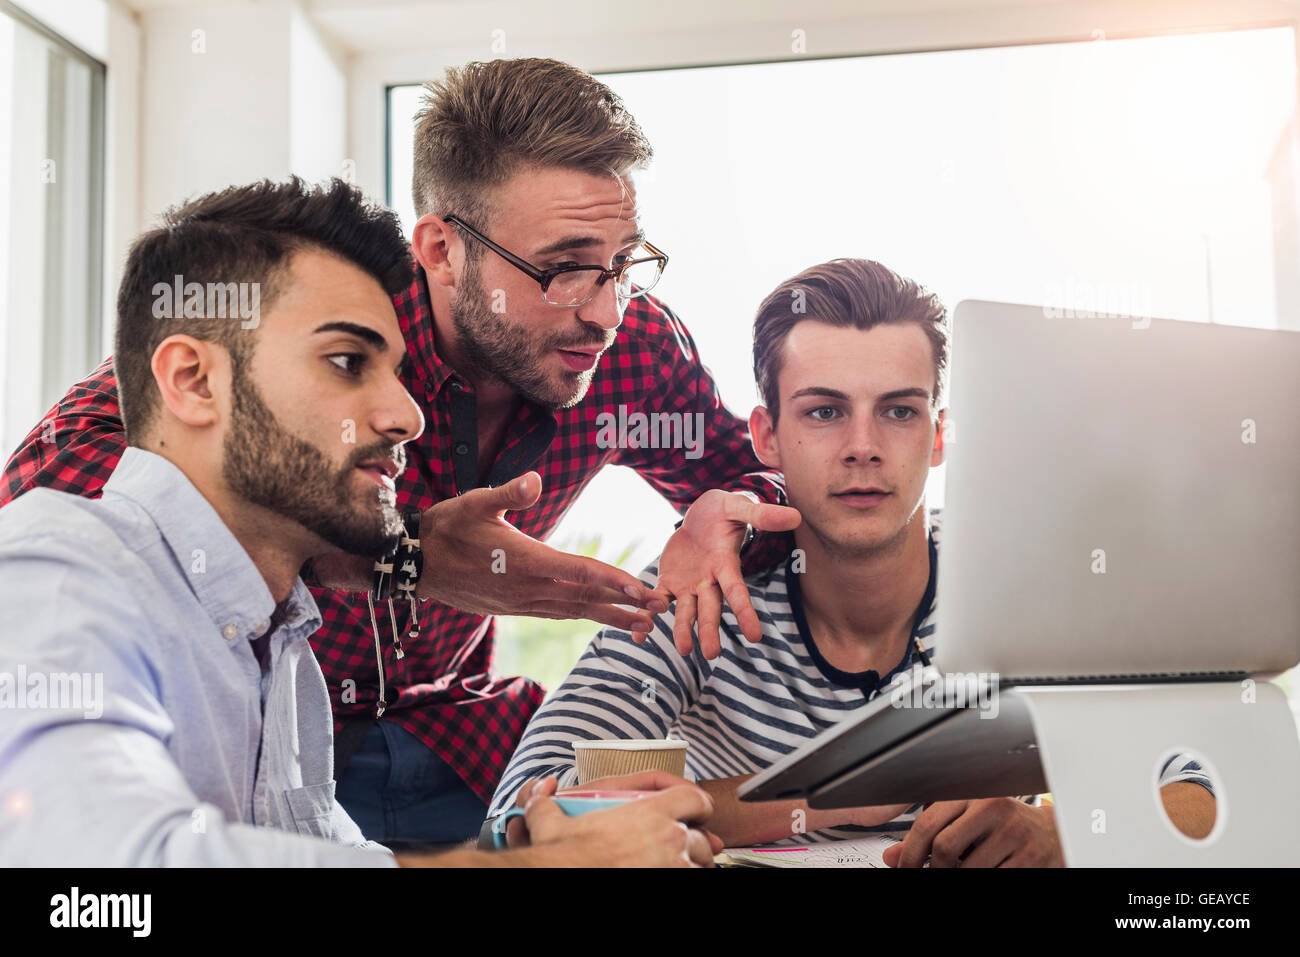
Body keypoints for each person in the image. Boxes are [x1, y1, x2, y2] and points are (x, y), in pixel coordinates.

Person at [0, 58, 798, 845]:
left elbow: (769, 490)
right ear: (443, 250)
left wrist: (724, 518)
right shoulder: (329, 311)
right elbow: (73, 487)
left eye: (623, 265)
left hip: (444, 735)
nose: (606, 311)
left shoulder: (633, 353)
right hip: (249, 721)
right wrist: (398, 557)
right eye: (561, 270)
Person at [487, 258, 1218, 866]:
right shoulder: (702, 585)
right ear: (767, 436)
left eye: (899, 410)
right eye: (824, 411)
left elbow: (1209, 781)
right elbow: (534, 806)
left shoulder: (1025, 581)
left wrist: (1058, 833)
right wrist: (837, 792)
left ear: (938, 435)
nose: (863, 445)